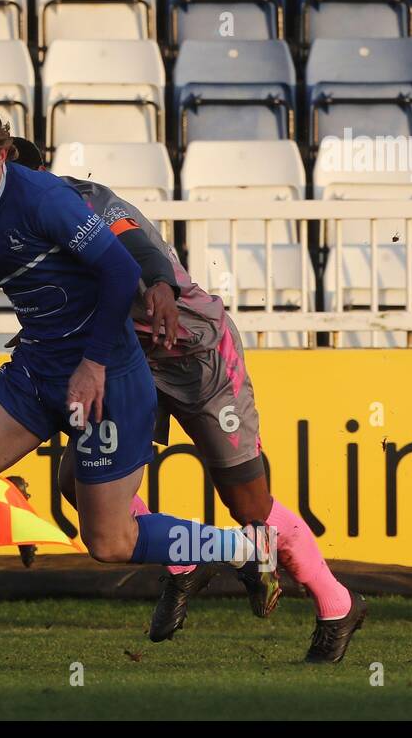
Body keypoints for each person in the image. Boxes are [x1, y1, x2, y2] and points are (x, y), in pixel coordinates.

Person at [0, 89, 273, 665]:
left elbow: (123, 272)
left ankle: (241, 548)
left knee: (109, 543)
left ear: (3, 156)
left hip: (109, 381)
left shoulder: (45, 200)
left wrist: (94, 363)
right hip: (37, 373)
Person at [50, 166, 367, 663]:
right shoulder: (16, 223)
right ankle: (185, 558)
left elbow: (141, 247)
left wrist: (159, 286)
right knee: (76, 484)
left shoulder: (86, 202)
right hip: (129, 359)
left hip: (197, 351)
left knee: (250, 509)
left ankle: (337, 604)